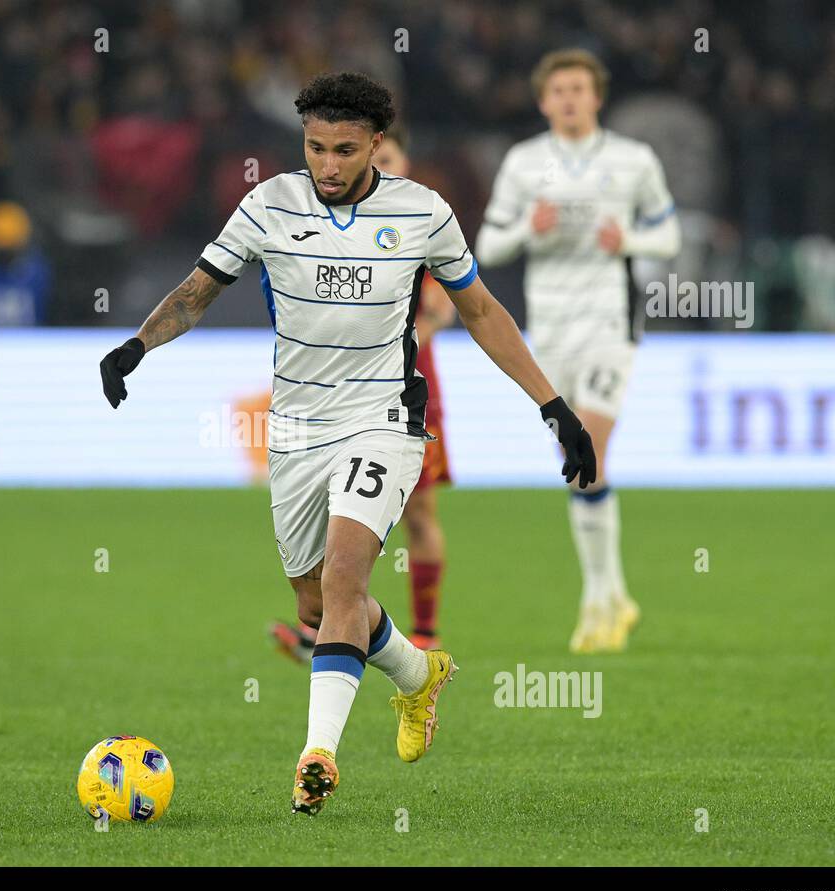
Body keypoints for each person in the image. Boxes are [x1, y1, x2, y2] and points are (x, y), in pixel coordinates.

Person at [100, 72, 595, 816]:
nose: (328, 166)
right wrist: (136, 347)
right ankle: (419, 675)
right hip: (296, 428)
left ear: (375, 146)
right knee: (316, 604)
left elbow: (485, 313)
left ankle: (316, 756)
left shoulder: (422, 213)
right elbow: (199, 290)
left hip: (384, 421)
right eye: (315, 149)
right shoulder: (269, 204)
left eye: (344, 150)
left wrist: (554, 407)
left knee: (342, 579)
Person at [474, 49, 681, 653]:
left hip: (610, 321)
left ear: (597, 97)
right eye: (557, 90)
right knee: (577, 457)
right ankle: (614, 595)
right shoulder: (524, 163)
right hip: (551, 327)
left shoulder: (632, 160)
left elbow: (668, 232)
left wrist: (631, 238)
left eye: (578, 88)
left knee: (589, 448)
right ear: (543, 101)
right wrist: (525, 231)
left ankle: (597, 603)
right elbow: (488, 244)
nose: (568, 98)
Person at [267, 125, 458, 664]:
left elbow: (449, 308)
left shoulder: (417, 225)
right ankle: (329, 625)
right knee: (337, 519)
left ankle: (425, 634)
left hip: (408, 392)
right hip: (331, 398)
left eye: (393, 159)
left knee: (418, 514)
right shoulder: (327, 223)